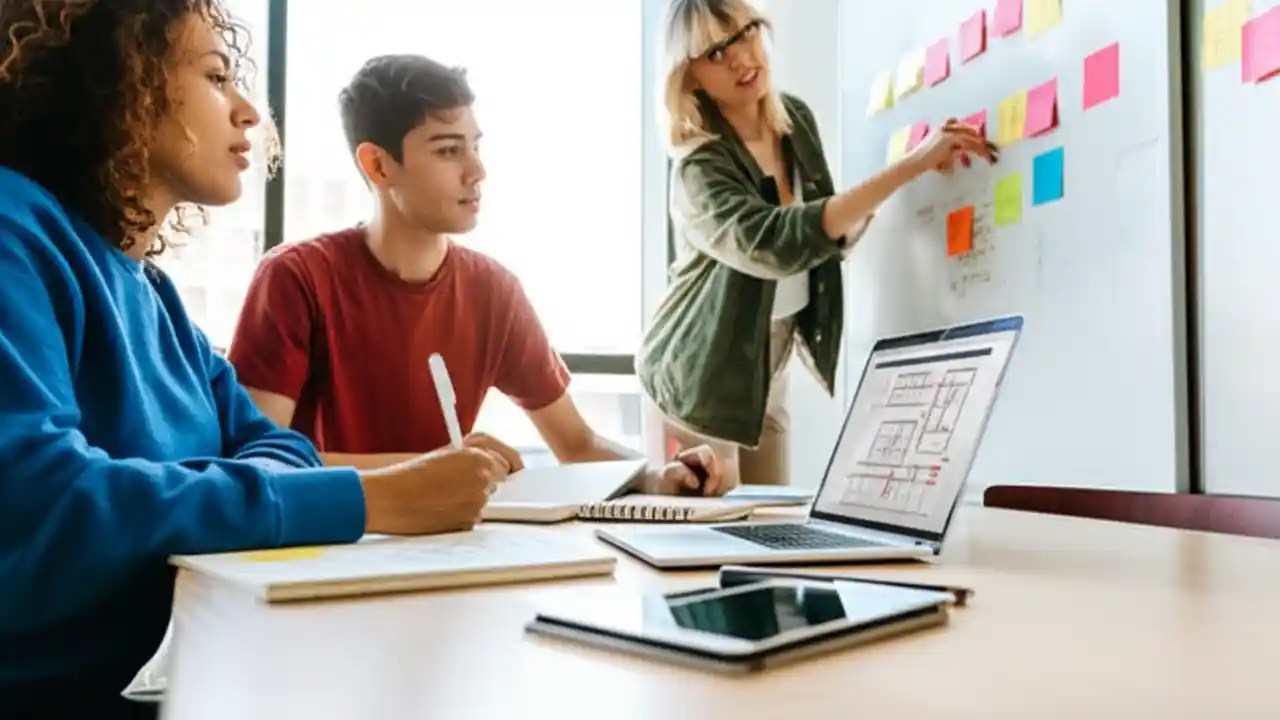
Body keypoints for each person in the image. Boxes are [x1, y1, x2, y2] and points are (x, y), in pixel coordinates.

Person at [0, 3, 510, 716]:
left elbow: (282, 448)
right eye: (216, 76)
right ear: (120, 79)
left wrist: (167, 494)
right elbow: (43, 503)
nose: (248, 111)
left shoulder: (155, 296)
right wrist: (374, 499)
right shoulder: (12, 229)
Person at [227, 54, 730, 497]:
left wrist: (659, 478)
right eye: (448, 150)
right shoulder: (295, 278)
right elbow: (259, 462)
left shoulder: (494, 291)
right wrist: (430, 469)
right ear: (379, 166)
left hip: (453, 550)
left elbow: (577, 445)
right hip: (325, 556)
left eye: (475, 145)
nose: (477, 170)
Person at [638, 0, 996, 487]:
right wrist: (911, 164)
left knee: (770, 527)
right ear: (690, 77)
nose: (742, 57)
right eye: (716, 53)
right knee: (713, 539)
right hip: (699, 378)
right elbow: (776, 244)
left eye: (745, 34)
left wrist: (901, 188)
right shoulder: (698, 168)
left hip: (768, 371)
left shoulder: (795, 121)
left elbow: (826, 236)